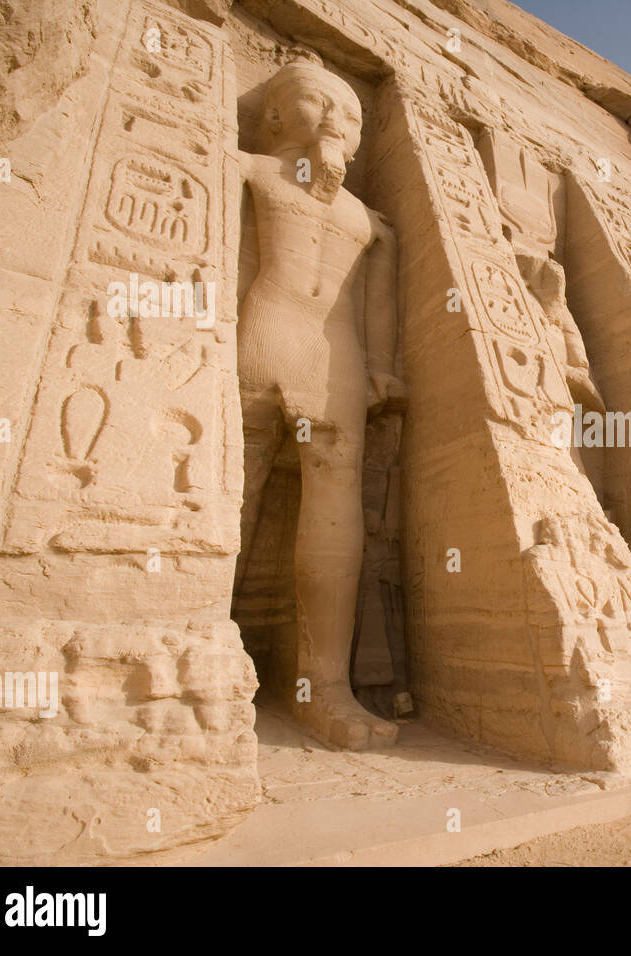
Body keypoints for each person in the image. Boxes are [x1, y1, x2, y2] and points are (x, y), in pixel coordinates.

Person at [235, 57, 404, 750]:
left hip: (336, 356)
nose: (336, 118)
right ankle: (194, 657)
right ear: (275, 115)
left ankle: (323, 686)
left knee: (335, 516)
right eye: (317, 101)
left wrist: (384, 371)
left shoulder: (370, 219)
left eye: (352, 113)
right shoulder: (248, 170)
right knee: (228, 494)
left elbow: (380, 300)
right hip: (260, 333)